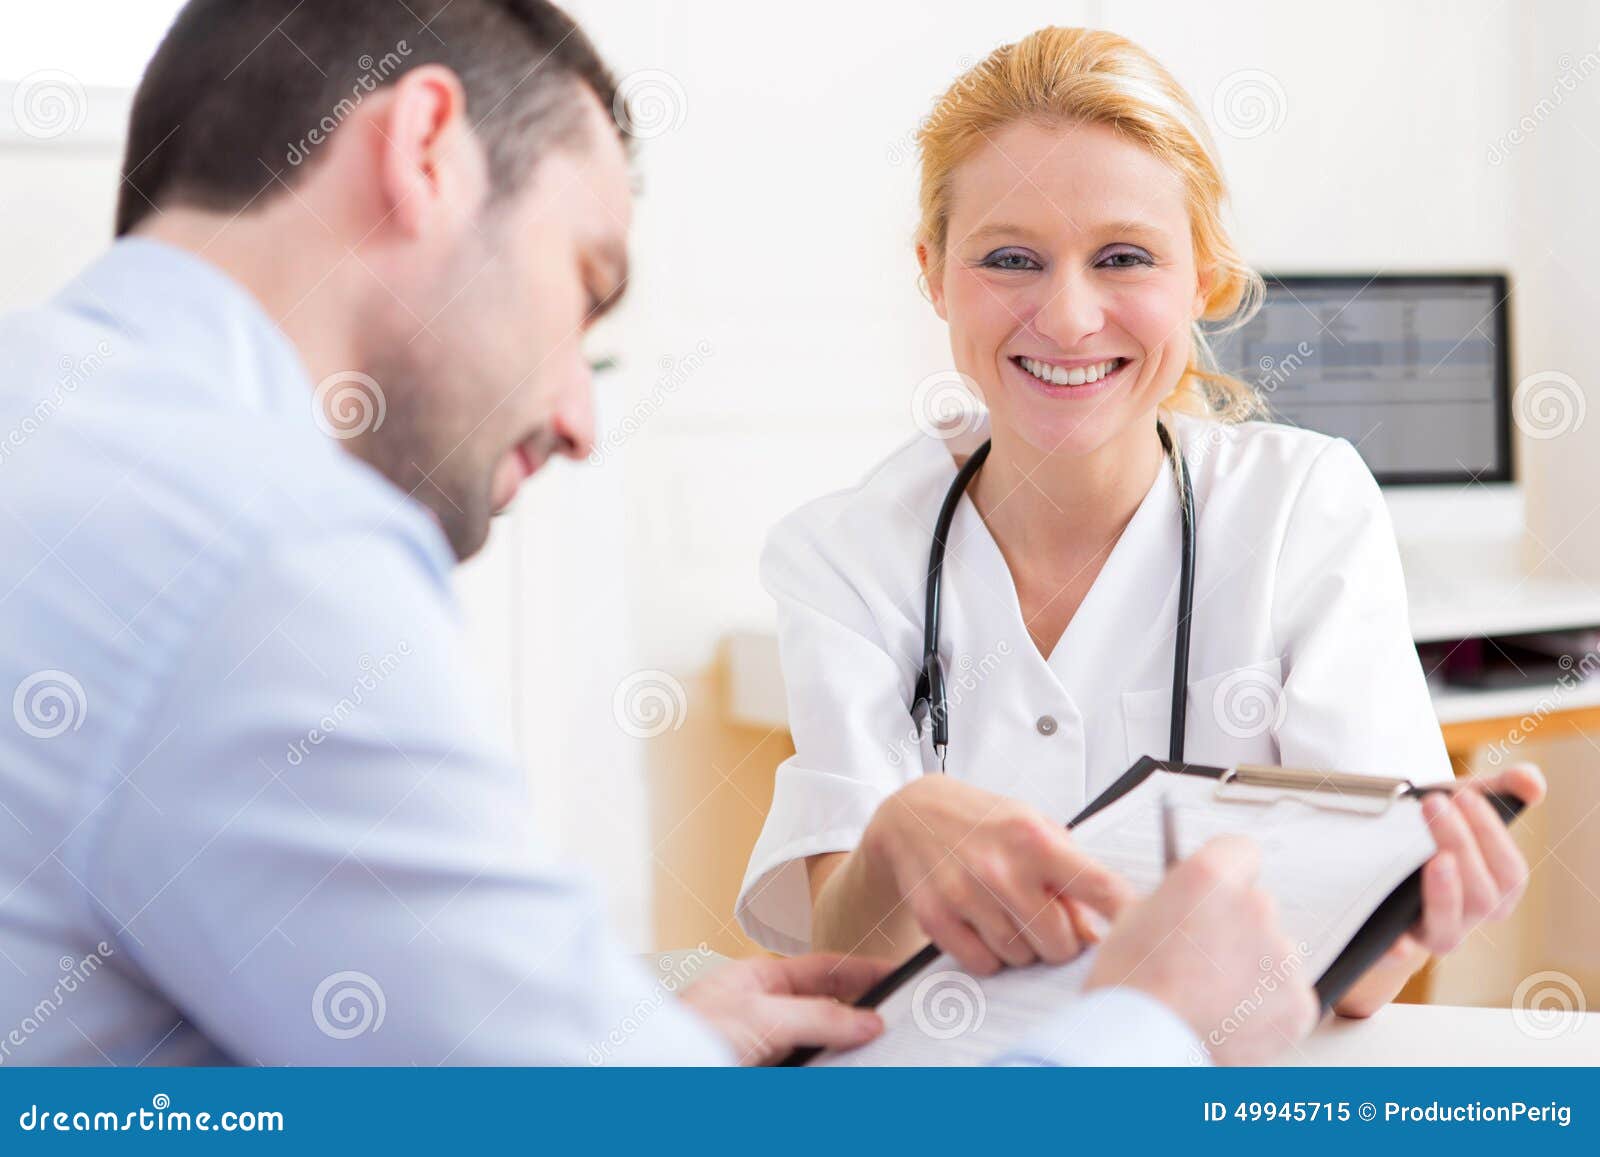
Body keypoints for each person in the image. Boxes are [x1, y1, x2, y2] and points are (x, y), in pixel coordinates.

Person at [0, 0, 1314, 1066]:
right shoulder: (266, 549)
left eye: (1125, 258)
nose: (581, 417)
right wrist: (1153, 1027)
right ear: (425, 152)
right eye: (586, 286)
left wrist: (621, 1047)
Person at [735, 27, 1542, 1018]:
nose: (1068, 318)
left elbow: (1364, 980)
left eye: (1123, 257)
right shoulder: (845, 556)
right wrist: (896, 840)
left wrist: (1408, 914)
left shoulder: (1302, 508)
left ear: (1201, 276)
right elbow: (848, 958)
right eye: (1010, 259)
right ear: (934, 273)